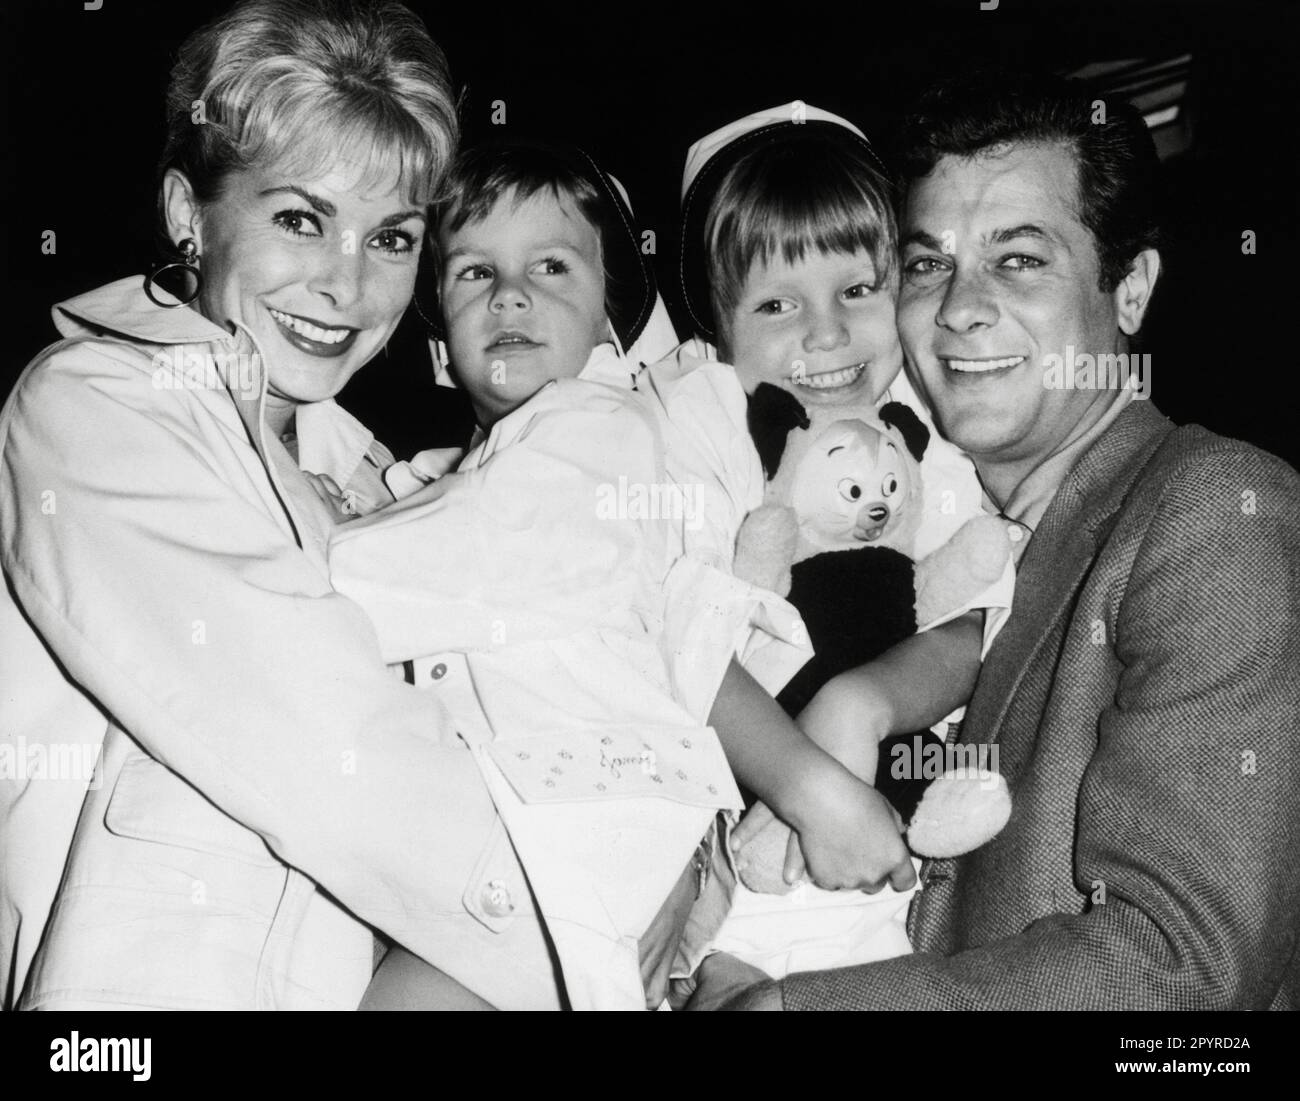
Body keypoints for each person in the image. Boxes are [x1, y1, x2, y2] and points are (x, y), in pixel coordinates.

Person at [692, 70, 1300, 1010]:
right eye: (928, 264)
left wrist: (788, 1008)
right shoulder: (928, 533)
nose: (960, 306)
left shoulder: (1215, 508)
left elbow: (1186, 966)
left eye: (1019, 259)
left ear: (1130, 288)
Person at [0, 0, 517, 1011]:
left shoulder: (389, 484)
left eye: (393, 237)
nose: (347, 283)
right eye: (300, 219)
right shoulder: (94, 406)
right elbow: (323, 739)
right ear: (189, 215)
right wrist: (577, 909)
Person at [328, 141, 913, 1008]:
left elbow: (412, 574)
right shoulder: (449, 472)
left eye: (553, 266)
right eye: (474, 274)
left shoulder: (595, 428)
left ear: (611, 319)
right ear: (439, 346)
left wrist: (295, 545)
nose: (512, 293)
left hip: (580, 839)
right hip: (566, 854)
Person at [671, 103, 1014, 979]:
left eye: (857, 290)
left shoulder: (926, 430)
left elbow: (977, 620)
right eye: (778, 303)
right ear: (717, 322)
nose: (825, 336)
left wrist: (858, 706)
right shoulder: (694, 425)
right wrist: (802, 783)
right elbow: (677, 632)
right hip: (730, 849)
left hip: (902, 857)